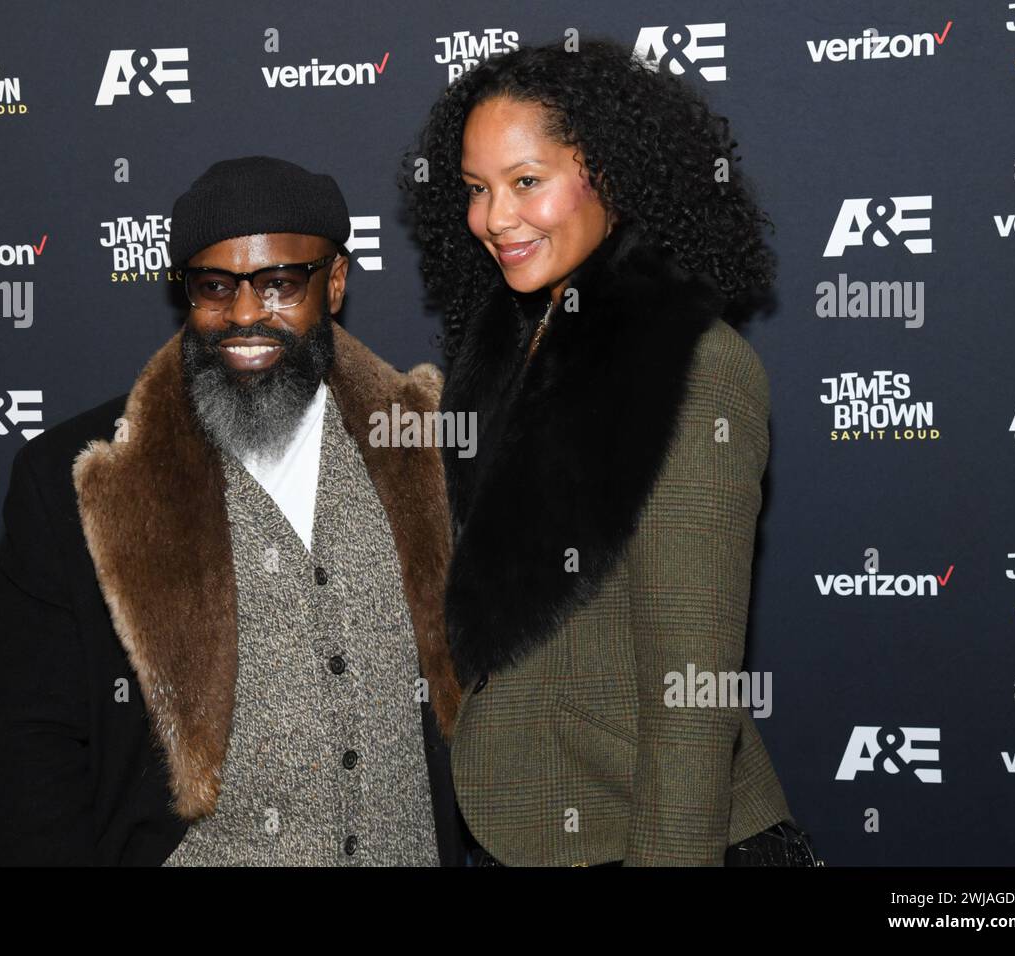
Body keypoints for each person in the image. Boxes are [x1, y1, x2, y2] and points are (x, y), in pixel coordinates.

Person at [0, 155, 463, 866]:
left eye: (278, 284)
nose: (242, 314)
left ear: (334, 283)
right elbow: (26, 746)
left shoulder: (424, 446)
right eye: (214, 287)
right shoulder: (75, 482)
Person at [399, 38, 799, 865]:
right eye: (476, 190)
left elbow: (695, 692)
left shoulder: (691, 368)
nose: (494, 218)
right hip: (548, 832)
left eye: (526, 182)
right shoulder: (517, 341)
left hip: (656, 838)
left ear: (610, 174)